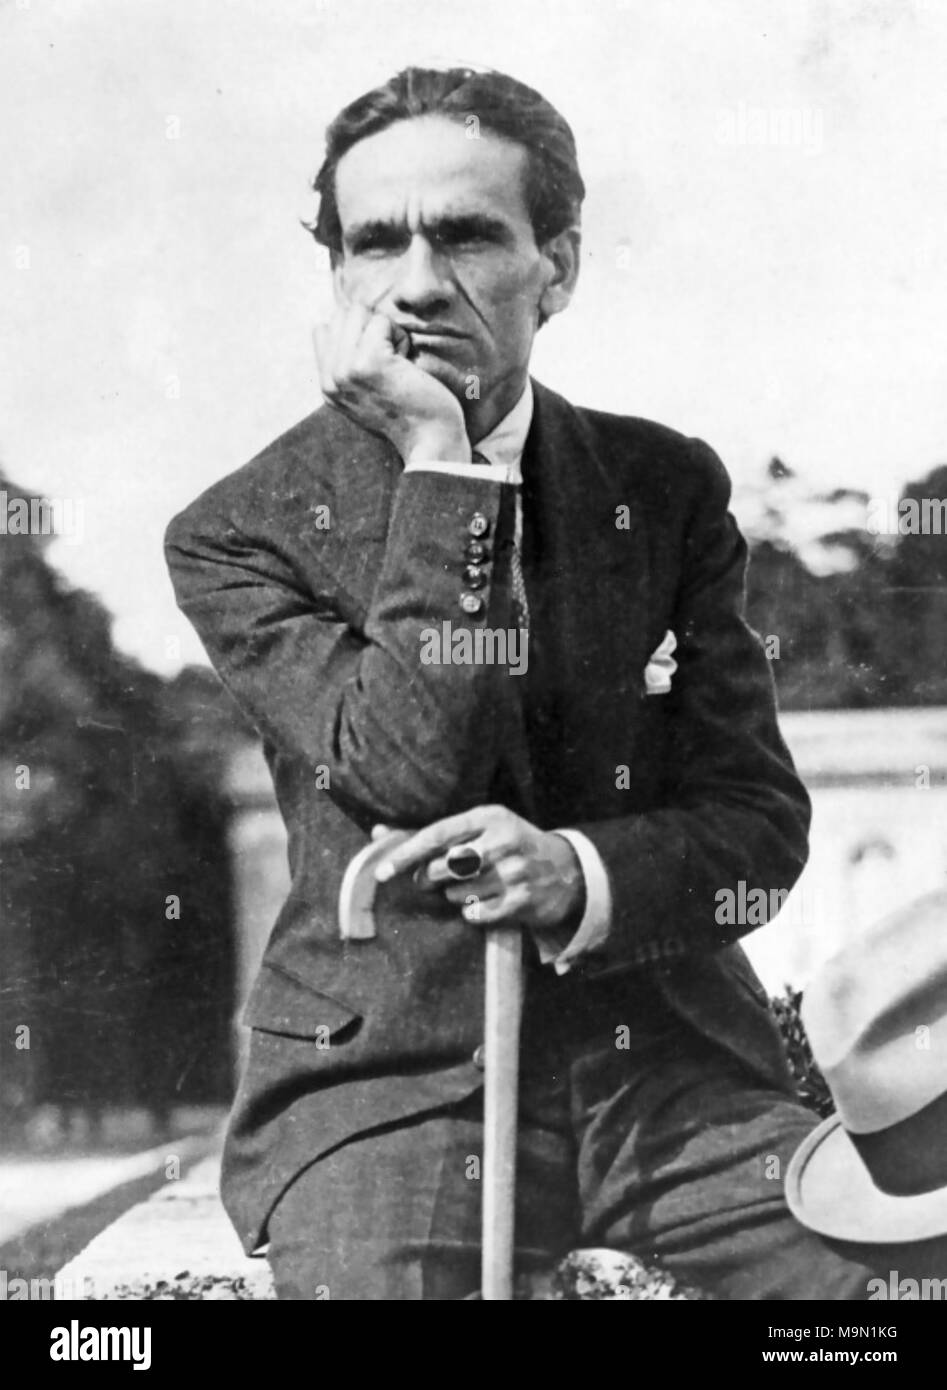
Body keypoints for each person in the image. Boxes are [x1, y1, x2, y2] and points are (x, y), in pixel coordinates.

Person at [166, 66, 890, 1299]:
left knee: (888, 1295)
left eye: (464, 236)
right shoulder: (242, 528)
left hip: (667, 1077)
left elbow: (759, 831)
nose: (413, 285)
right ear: (334, 271)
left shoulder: (662, 488)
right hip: (385, 1095)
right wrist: (441, 464)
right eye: (372, 242)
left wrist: (581, 872)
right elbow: (411, 769)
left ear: (557, 265)